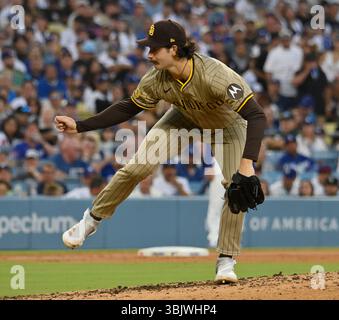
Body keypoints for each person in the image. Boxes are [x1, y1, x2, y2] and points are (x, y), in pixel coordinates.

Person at [55, 20, 266, 284]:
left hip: (228, 126)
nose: (149, 54)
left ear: (174, 49)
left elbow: (256, 115)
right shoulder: (157, 78)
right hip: (183, 118)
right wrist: (81, 125)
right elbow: (128, 107)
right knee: (136, 167)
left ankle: (226, 260)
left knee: (236, 187)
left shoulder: (215, 75)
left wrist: (247, 164)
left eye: (155, 49)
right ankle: (91, 220)